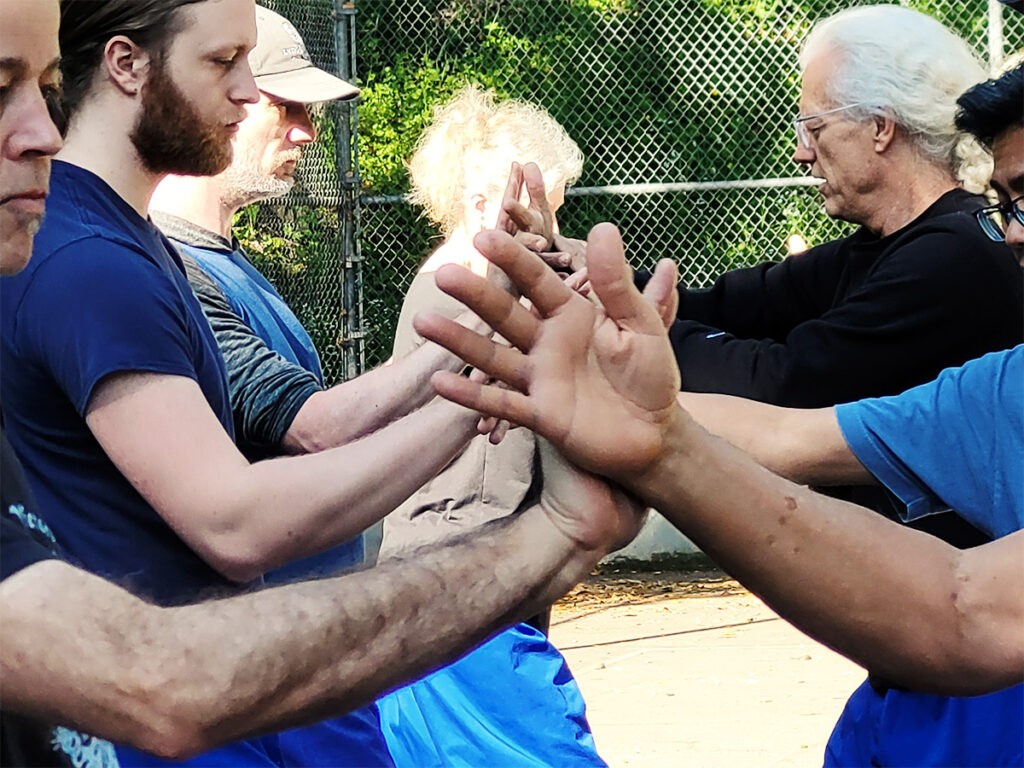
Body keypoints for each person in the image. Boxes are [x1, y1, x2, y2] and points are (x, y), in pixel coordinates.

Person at [0, 2, 642, 766]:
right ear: (126, 64)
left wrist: (501, 340)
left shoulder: (120, 239)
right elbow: (236, 524)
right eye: (222, 61)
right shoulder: (87, 261)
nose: (248, 91)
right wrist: (492, 394)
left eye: (41, 84)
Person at [413, 59, 1024, 768]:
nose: (1010, 234)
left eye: (816, 126)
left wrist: (654, 436)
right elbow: (793, 433)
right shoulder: (1000, 381)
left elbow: (966, 611)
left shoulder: (950, 257)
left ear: (883, 129)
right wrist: (626, 397)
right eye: (1008, 203)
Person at [149, 27, 600, 764]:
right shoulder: (163, 271)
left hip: (320, 654)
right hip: (268, 664)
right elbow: (314, 429)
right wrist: (493, 340)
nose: (306, 131)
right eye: (283, 104)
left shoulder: (235, 268)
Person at [372, 85, 605, 768]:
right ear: (482, 212)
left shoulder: (491, 297)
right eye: (546, 214)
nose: (557, 235)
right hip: (463, 591)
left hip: (466, 589)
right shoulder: (451, 294)